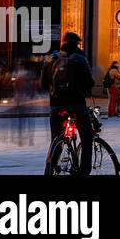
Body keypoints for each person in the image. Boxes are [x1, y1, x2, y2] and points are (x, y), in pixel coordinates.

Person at [39, 32, 95, 176]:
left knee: (55, 141)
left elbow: (43, 83)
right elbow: (90, 82)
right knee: (87, 137)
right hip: (77, 104)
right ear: (76, 44)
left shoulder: (51, 59)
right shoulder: (80, 59)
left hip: (56, 105)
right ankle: (83, 172)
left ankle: (49, 171)